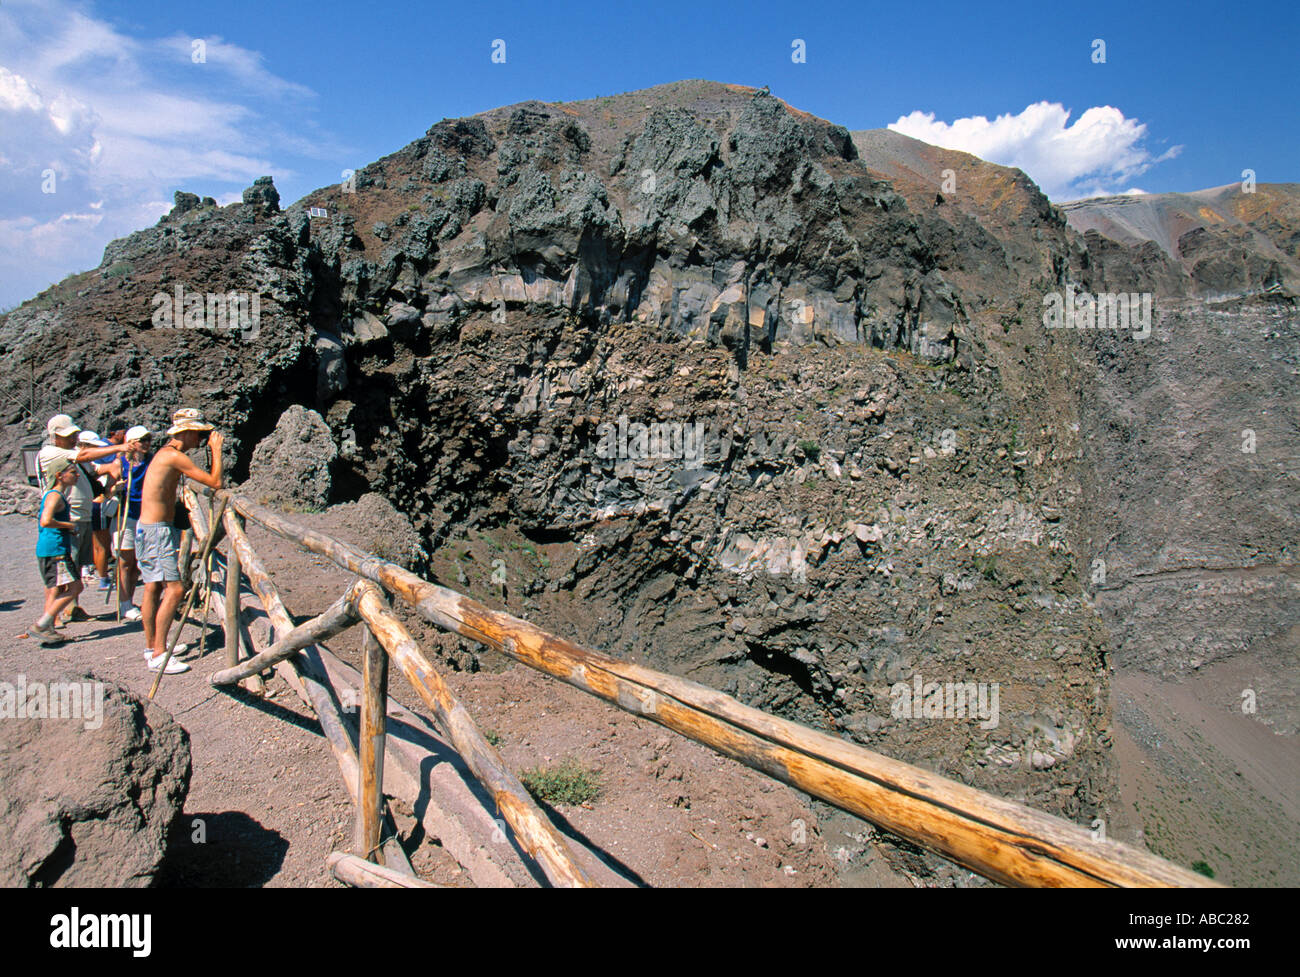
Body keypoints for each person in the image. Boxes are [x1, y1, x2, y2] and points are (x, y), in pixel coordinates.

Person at [138, 408, 223, 674]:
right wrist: (217, 450)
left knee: (153, 587)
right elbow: (215, 482)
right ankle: (159, 655)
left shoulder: (164, 454)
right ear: (185, 432)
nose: (200, 439)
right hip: (157, 531)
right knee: (175, 590)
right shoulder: (174, 457)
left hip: (148, 527)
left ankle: (152, 646)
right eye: (198, 433)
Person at [37, 414, 129, 622]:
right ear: (55, 436)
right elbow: (84, 456)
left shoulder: (71, 455)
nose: (73, 438)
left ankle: (71, 607)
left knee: (74, 566)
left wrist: (113, 468)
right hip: (67, 516)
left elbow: (94, 469)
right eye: (68, 435)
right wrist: (118, 449)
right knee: (61, 569)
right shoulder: (51, 453)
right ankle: (51, 615)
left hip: (82, 516)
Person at [31, 457, 84, 645]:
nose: (77, 475)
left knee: (56, 589)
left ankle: (48, 628)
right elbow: (46, 520)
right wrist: (69, 525)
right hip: (55, 549)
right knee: (76, 587)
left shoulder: (53, 494)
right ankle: (43, 624)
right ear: (59, 475)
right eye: (72, 472)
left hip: (51, 548)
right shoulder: (55, 496)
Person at [103, 425, 153, 621]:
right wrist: (116, 488)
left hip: (146, 515)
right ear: (131, 443)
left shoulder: (152, 460)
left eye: (148, 439)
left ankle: (129, 602)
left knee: (136, 564)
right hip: (125, 516)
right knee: (125, 561)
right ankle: (125, 604)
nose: (147, 443)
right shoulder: (120, 463)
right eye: (143, 440)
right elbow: (107, 491)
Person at [77, 430, 119, 594]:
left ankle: (88, 571)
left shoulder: (87, 464)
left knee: (94, 543)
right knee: (101, 544)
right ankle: (103, 578)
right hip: (97, 505)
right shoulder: (80, 462)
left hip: (89, 507)